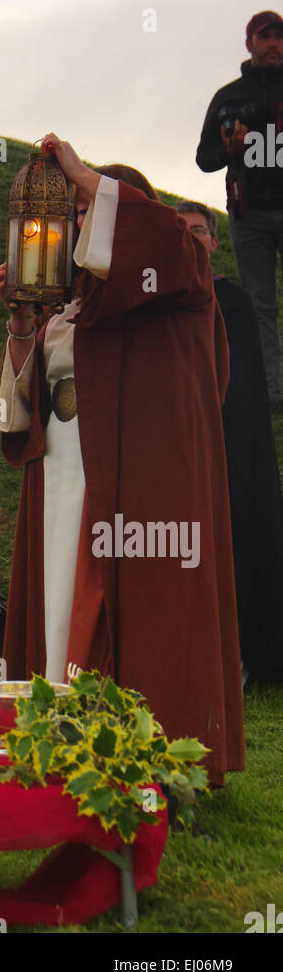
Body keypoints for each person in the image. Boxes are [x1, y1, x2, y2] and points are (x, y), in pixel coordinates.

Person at [0, 137, 243, 786]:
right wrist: (23, 320)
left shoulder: (177, 285)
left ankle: (147, 761)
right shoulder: (68, 313)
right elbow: (15, 416)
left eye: (87, 211)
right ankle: (59, 747)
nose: (76, 226)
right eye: (74, 214)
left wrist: (82, 174)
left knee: (138, 614)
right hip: (64, 477)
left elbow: (167, 242)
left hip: (138, 483)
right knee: (60, 606)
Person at [176, 200, 283, 682]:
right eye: (180, 231)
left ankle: (238, 653)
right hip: (173, 445)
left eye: (198, 231)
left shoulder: (233, 301)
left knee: (231, 541)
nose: (191, 239)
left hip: (227, 446)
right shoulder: (155, 296)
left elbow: (241, 390)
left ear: (215, 243)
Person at [196, 10, 283, 408]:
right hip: (249, 215)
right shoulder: (229, 97)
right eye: (266, 37)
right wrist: (230, 149)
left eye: (279, 38)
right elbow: (204, 158)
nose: (274, 45)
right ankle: (272, 394)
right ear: (249, 43)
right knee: (260, 303)